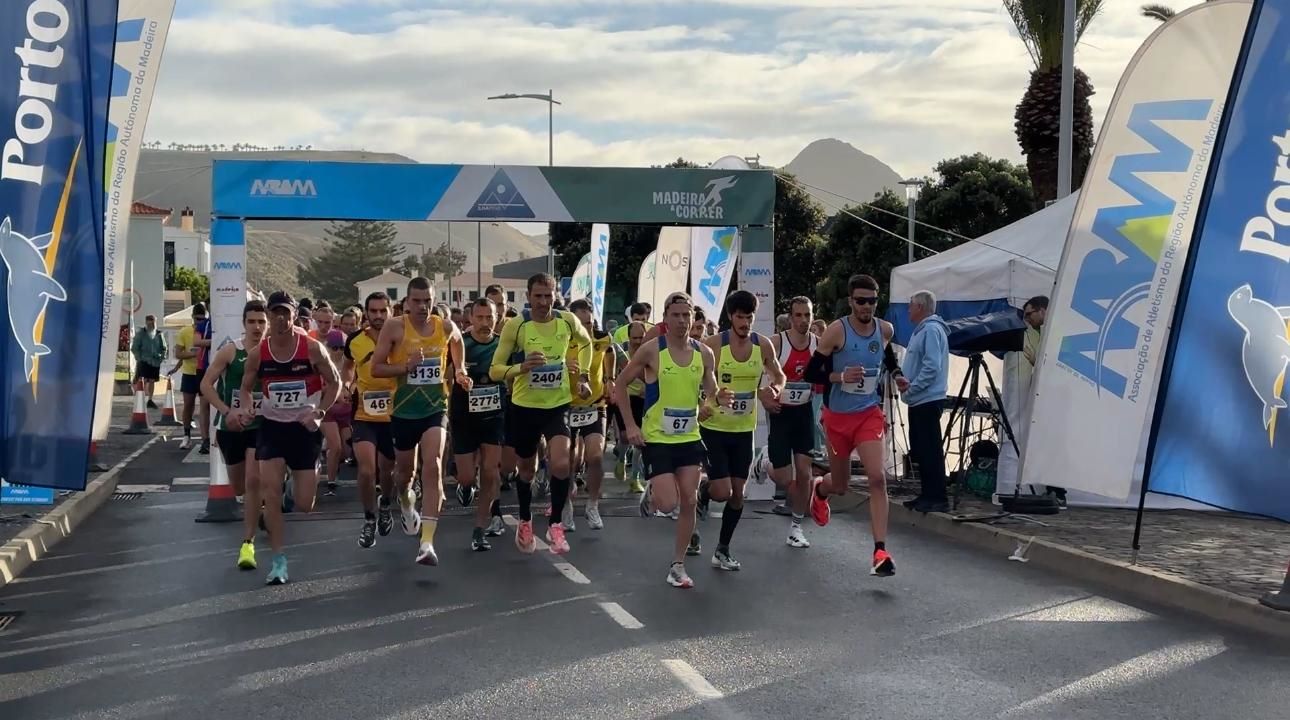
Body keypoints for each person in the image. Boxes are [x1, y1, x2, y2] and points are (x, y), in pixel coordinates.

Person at [614, 292, 729, 589]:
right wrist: (630, 425)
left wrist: (717, 400)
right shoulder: (652, 350)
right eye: (675, 315)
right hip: (658, 438)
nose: (681, 320)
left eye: (686, 315)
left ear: (692, 319)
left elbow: (711, 391)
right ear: (665, 319)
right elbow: (621, 384)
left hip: (689, 436)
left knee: (689, 500)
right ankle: (653, 494)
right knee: (668, 504)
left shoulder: (704, 353)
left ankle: (677, 565)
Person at [235, 291, 342, 585]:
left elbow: (335, 382)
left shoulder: (312, 349)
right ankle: (278, 560)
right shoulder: (259, 354)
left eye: (286, 313)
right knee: (269, 494)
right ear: (269, 316)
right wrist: (246, 408)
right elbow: (245, 389)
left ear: (294, 315)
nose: (280, 319)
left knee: (305, 504)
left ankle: (295, 482)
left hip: (304, 429)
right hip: (272, 427)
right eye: (275, 313)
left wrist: (320, 412)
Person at [489, 273, 592, 556]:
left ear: (556, 295)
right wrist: (520, 368)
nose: (544, 302)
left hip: (557, 405)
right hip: (524, 407)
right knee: (526, 470)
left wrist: (582, 376)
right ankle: (525, 519)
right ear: (528, 296)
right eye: (538, 296)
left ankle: (555, 524)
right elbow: (495, 369)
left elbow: (586, 344)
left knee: (560, 464)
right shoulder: (517, 324)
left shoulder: (567, 320)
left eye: (549, 296)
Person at [804, 274, 899, 577]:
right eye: (861, 301)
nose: (867, 306)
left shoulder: (884, 329)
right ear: (851, 302)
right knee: (841, 485)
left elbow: (887, 355)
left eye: (872, 301)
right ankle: (821, 490)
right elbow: (811, 373)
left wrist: (897, 375)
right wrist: (839, 377)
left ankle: (880, 551)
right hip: (838, 419)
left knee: (877, 479)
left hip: (868, 413)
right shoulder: (836, 332)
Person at [372, 277, 469, 566]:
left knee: (434, 464)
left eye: (428, 300)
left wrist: (461, 370)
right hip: (403, 410)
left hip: (434, 408)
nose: (423, 306)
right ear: (406, 302)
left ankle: (427, 542)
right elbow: (376, 367)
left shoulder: (444, 326)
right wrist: (405, 367)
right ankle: (404, 501)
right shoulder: (395, 326)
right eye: (417, 301)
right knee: (404, 476)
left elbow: (458, 341)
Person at [697, 290, 784, 570]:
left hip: (743, 429)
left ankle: (722, 549)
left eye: (750, 317)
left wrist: (774, 388)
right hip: (713, 427)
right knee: (722, 491)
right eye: (740, 317)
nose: (746, 323)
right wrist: (707, 402)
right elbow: (694, 382)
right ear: (730, 317)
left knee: (737, 494)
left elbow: (779, 375)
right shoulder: (713, 345)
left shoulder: (763, 346)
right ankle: (704, 491)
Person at [201, 301, 269, 570]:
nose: (257, 327)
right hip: (232, 427)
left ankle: (247, 543)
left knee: (254, 480)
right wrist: (226, 410)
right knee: (240, 487)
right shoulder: (231, 351)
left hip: (262, 426)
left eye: (261, 321)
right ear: (244, 323)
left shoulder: (273, 352)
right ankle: (259, 509)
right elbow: (206, 385)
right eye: (252, 321)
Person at [345, 292, 408, 549]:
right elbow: (348, 366)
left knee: (387, 470)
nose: (379, 316)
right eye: (374, 311)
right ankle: (369, 517)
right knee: (367, 470)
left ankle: (385, 504)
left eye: (383, 311)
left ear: (391, 311)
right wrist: (347, 385)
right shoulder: (355, 340)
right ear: (367, 313)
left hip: (395, 414)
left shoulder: (401, 338)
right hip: (364, 415)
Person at [450, 297, 508, 550]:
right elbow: (446, 373)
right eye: (480, 317)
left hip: (494, 414)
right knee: (466, 476)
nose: (485, 323)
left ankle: (479, 528)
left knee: (490, 470)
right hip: (463, 415)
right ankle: (464, 484)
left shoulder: (503, 345)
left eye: (490, 317)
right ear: (470, 318)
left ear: (497, 317)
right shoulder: (460, 343)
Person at [767, 296, 822, 548]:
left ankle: (796, 527)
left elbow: (822, 381)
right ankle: (764, 463)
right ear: (790, 317)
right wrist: (765, 399)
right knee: (783, 477)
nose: (803, 320)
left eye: (807, 315)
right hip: (780, 413)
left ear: (812, 316)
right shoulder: (778, 343)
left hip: (803, 414)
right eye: (798, 315)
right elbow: (756, 375)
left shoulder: (818, 346)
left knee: (805, 474)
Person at [565, 299, 615, 531]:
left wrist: (609, 379)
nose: (588, 324)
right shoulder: (564, 340)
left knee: (595, 457)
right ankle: (565, 506)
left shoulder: (602, 338)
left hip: (595, 404)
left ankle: (592, 505)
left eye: (590, 319)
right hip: (567, 405)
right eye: (583, 321)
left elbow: (611, 351)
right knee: (569, 460)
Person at [899, 291, 950, 513]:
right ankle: (927, 493)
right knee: (921, 449)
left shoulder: (930, 330)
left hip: (927, 399)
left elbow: (932, 366)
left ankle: (937, 496)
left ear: (920, 306)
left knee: (930, 449)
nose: (908, 309)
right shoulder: (921, 331)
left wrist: (913, 386)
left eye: (910, 305)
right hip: (918, 400)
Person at [613, 321, 649, 494]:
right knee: (624, 436)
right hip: (625, 398)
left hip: (643, 398)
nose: (637, 341)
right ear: (628, 337)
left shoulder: (649, 352)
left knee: (641, 440)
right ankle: (621, 458)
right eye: (634, 338)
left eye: (641, 337)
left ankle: (635, 478)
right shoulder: (621, 351)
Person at [321, 328, 354, 496]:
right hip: (328, 411)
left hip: (346, 412)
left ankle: (333, 467)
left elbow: (355, 383)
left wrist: (350, 391)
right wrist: (334, 393)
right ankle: (331, 481)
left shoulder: (349, 363)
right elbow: (318, 388)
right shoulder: (323, 363)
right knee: (335, 446)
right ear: (328, 347)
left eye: (342, 348)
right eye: (335, 348)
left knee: (346, 450)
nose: (339, 351)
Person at [175, 303, 210, 451]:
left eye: (202, 319)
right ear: (192, 318)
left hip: (205, 371)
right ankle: (186, 436)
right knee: (188, 405)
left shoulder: (208, 329)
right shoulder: (184, 332)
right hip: (189, 372)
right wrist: (192, 354)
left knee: (205, 406)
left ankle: (205, 439)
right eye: (197, 319)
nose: (199, 322)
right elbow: (178, 354)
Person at [130, 314, 167, 408]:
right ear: (146, 322)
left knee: (152, 380)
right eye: (150, 322)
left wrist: (161, 357)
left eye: (153, 322)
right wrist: (139, 358)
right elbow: (134, 348)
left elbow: (164, 348)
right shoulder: (141, 334)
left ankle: (150, 400)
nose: (152, 324)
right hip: (144, 360)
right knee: (142, 380)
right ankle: (140, 399)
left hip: (155, 361)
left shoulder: (159, 334)